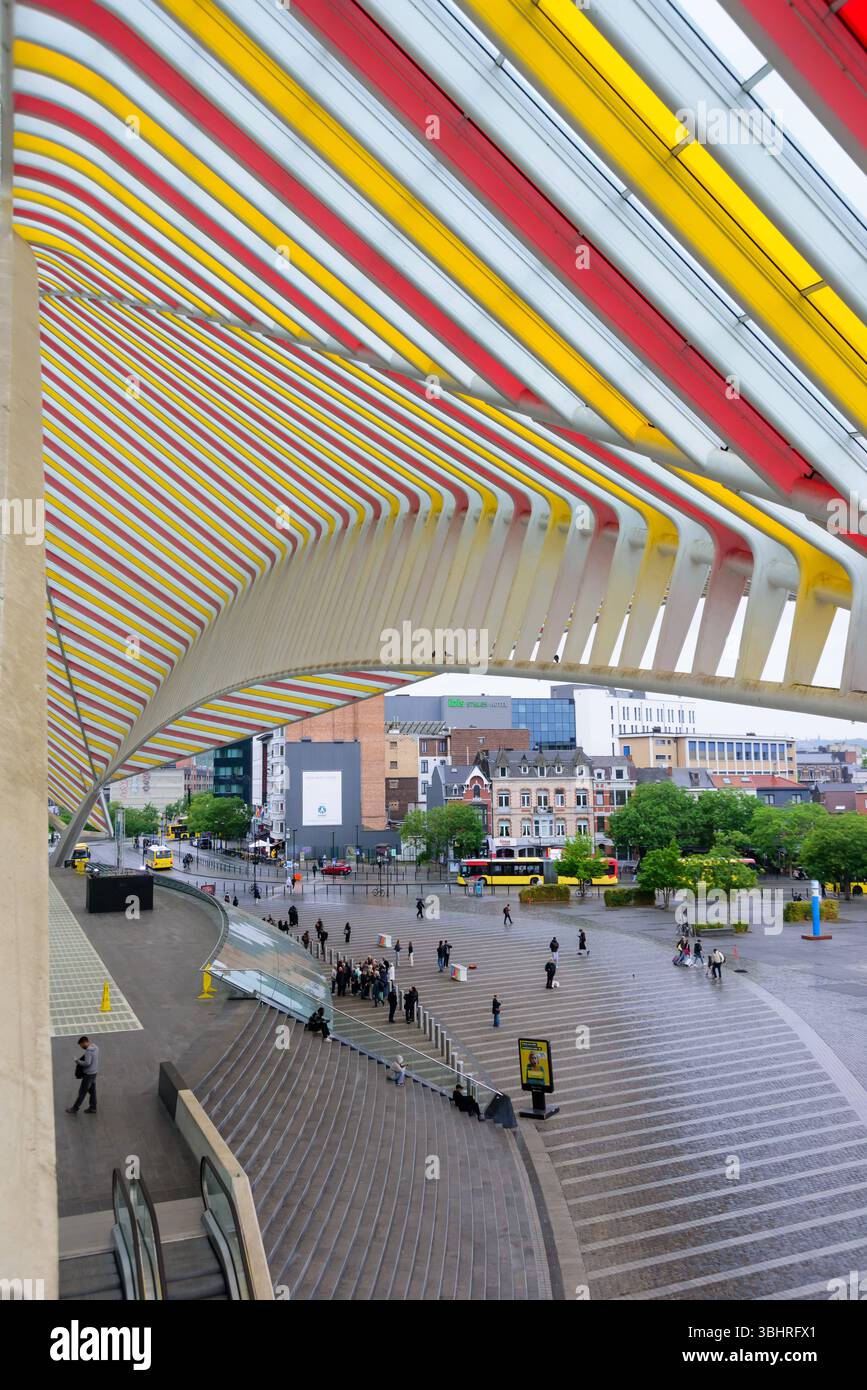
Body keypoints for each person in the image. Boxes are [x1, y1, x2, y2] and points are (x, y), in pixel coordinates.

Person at [66, 1036, 99, 1114]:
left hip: (88, 1075)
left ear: (84, 1042)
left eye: (81, 1045)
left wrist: (77, 1061)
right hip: (94, 1073)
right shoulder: (96, 1047)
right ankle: (93, 1107)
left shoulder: (88, 1051)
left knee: (82, 1092)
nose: (81, 1047)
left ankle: (75, 1108)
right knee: (92, 1091)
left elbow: (87, 1063)